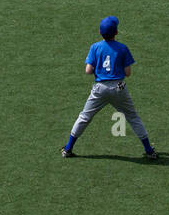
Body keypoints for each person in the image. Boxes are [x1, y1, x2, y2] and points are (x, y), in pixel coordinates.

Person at [61, 16, 158, 161]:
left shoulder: (95, 47)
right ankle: (149, 151)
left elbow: (88, 70)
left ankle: (68, 148)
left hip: (100, 88)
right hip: (119, 88)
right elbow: (128, 73)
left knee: (84, 117)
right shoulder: (123, 48)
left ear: (100, 32)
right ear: (116, 32)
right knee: (133, 118)